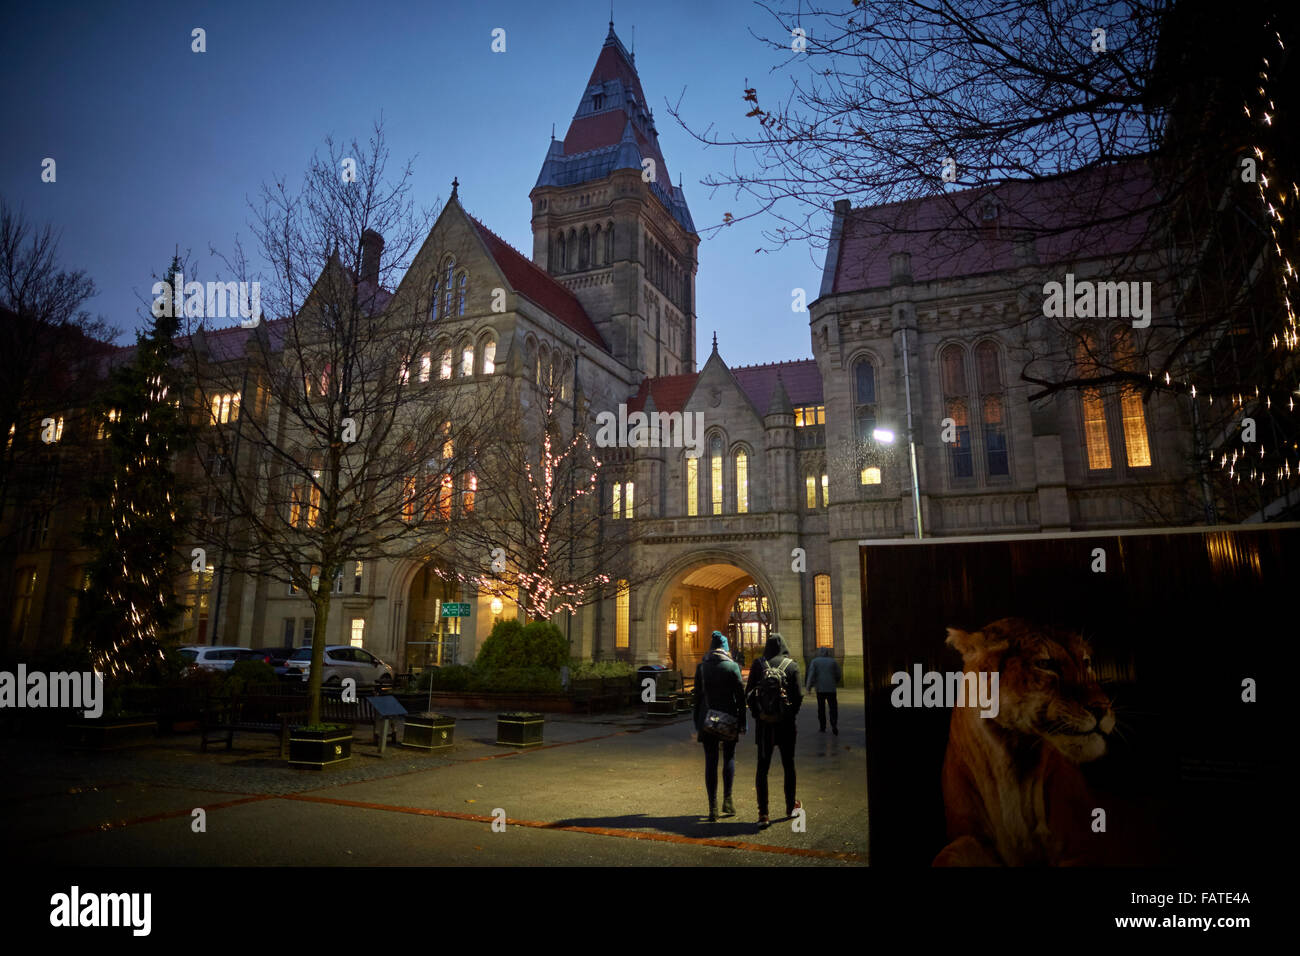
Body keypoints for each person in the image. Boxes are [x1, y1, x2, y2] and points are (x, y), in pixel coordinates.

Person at [746, 633, 802, 827]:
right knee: (789, 765)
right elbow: (798, 696)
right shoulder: (792, 666)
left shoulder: (758, 665)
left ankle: (763, 814)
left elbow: (749, 694)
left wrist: (759, 715)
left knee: (762, 768)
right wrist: (788, 715)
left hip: (764, 727)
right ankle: (790, 807)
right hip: (786, 726)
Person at [693, 631, 747, 821]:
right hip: (728, 718)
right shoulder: (732, 667)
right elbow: (740, 698)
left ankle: (712, 807)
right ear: (725, 648)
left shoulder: (701, 668)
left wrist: (697, 721)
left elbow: (697, 697)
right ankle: (728, 800)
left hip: (707, 719)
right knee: (729, 757)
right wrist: (743, 722)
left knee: (711, 761)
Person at [805, 646, 842, 734]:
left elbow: (811, 675)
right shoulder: (833, 661)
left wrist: (808, 687)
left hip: (820, 689)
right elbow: (838, 674)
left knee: (821, 708)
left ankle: (822, 727)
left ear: (819, 652)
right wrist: (835, 681)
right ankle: (834, 724)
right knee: (833, 707)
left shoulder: (815, 661)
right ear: (827, 652)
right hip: (831, 689)